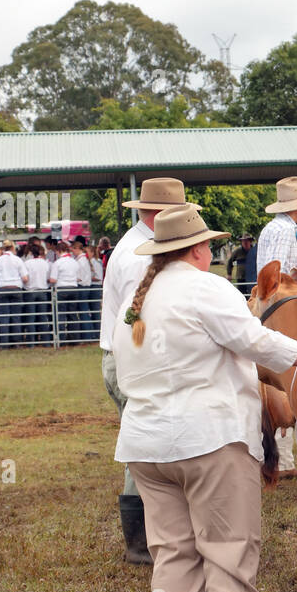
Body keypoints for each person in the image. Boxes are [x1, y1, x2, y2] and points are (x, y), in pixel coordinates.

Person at [113, 204, 297, 592]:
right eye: (208, 244)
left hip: (146, 444)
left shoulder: (137, 302)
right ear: (199, 249)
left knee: (173, 550)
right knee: (228, 544)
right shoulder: (207, 289)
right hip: (210, 438)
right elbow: (258, 341)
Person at [103, 177, 203, 566]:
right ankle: (143, 543)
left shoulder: (137, 246)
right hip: (136, 359)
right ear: (163, 214)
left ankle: (148, 539)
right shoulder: (138, 255)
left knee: (142, 444)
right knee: (144, 445)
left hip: (131, 357)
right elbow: (142, 319)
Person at [257, 177, 297, 278]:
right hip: (283, 292)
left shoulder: (272, 226)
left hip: (273, 290)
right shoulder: (285, 229)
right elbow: (276, 271)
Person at [0, 239, 27, 346]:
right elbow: (25, 278)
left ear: (3, 248)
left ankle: (4, 343)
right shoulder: (18, 260)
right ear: (13, 247)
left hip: (2, 288)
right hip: (15, 288)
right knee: (16, 316)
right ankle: (16, 342)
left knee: (4, 317)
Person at [24, 243, 50, 345]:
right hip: (42, 290)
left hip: (30, 291)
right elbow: (48, 277)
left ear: (30, 252)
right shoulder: (44, 263)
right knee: (43, 317)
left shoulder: (27, 263)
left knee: (31, 317)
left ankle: (31, 342)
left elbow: (25, 278)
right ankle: (46, 341)